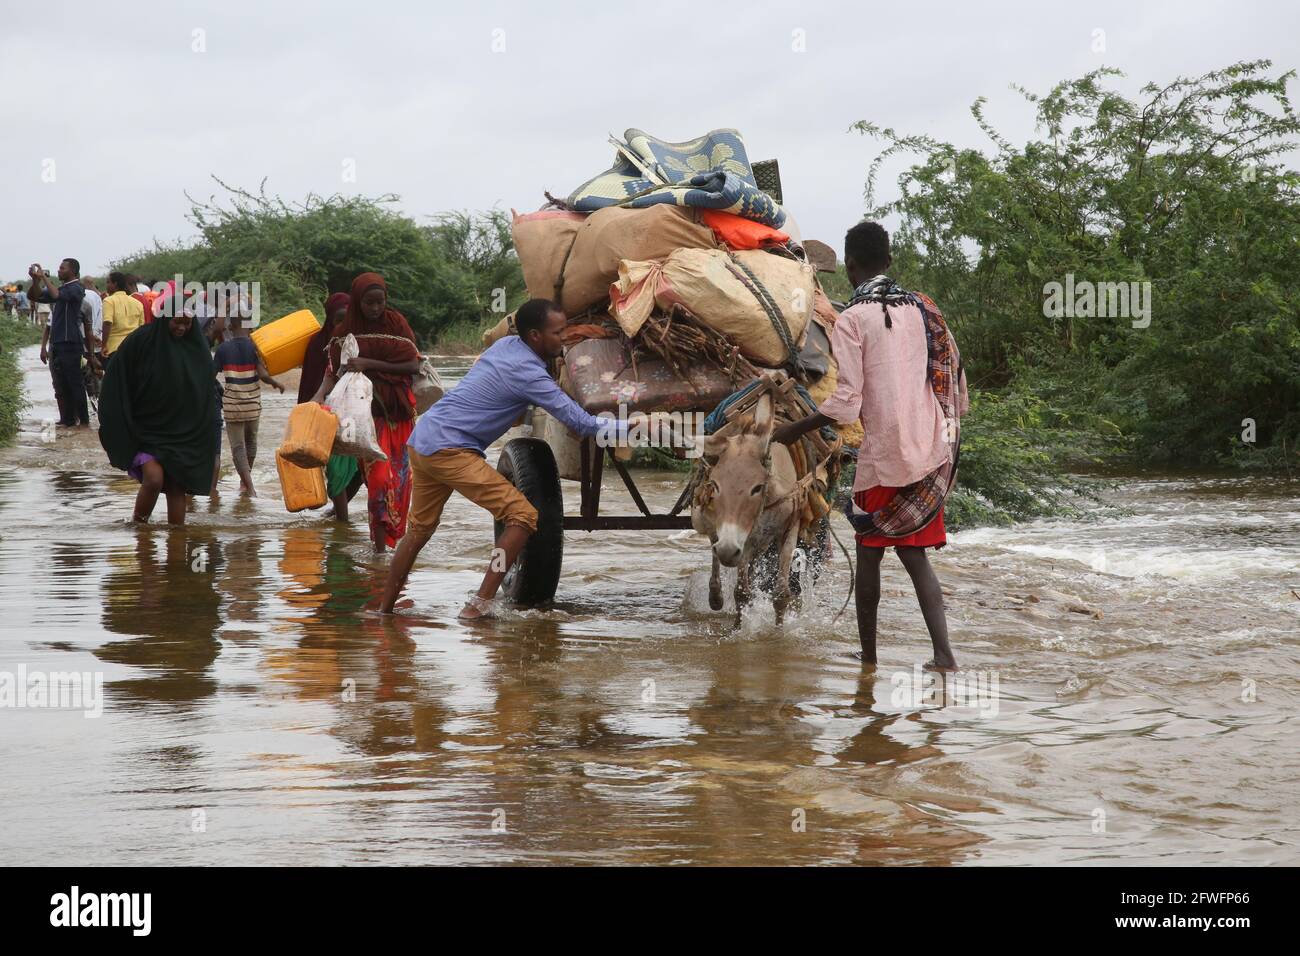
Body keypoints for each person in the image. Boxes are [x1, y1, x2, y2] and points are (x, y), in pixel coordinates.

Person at [772, 221, 966, 672]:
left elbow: (846, 402)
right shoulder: (923, 309)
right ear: (890, 261)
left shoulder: (851, 321)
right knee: (915, 557)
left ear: (851, 267)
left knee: (869, 553)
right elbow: (948, 375)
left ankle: (870, 657)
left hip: (884, 456)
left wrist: (794, 430)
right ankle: (943, 654)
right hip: (929, 446)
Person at [378, 298, 636, 620]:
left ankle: (382, 609)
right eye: (557, 333)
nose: (564, 337)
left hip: (424, 438)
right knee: (523, 516)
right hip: (450, 449)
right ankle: (479, 604)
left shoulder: (505, 347)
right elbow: (582, 424)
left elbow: (501, 400)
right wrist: (631, 426)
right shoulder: (528, 373)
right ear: (535, 337)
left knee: (417, 532)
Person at [310, 273, 421, 553]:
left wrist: (368, 363)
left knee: (400, 484)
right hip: (365, 420)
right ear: (358, 302)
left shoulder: (396, 324)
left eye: (379, 302)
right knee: (379, 481)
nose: (375, 308)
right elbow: (333, 372)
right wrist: (318, 397)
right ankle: (380, 551)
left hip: (399, 417)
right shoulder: (344, 332)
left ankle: (393, 548)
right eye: (369, 303)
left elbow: (412, 365)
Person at [98, 306, 218, 524]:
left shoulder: (196, 347)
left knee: (176, 487)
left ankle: (176, 543)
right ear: (164, 319)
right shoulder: (142, 340)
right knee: (153, 479)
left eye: (187, 323)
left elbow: (206, 392)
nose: (182, 328)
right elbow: (118, 373)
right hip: (147, 430)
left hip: (183, 434)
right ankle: (139, 529)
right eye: (176, 322)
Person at [300, 292, 362, 520]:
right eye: (338, 319)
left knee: (360, 469)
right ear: (329, 318)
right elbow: (313, 381)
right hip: (328, 415)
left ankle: (337, 512)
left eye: (347, 319)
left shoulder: (359, 342)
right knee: (336, 468)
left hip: (356, 414)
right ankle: (342, 522)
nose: (342, 325)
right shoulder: (318, 344)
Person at [213, 311, 285, 496]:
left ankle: (249, 485)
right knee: (251, 442)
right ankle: (245, 483)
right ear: (251, 327)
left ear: (230, 327)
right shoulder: (255, 347)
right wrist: (276, 383)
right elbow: (263, 375)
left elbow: (210, 376)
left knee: (238, 446)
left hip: (233, 404)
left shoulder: (222, 350)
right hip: (253, 402)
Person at [31, 259, 92, 428]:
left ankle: (84, 422)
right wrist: (35, 281)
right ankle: (68, 420)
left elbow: (56, 295)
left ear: (72, 271)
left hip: (70, 343)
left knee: (75, 383)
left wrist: (43, 276)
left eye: (62, 268)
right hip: (57, 343)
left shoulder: (76, 288)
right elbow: (35, 296)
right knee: (61, 384)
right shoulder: (62, 288)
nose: (58, 270)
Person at [100, 271, 145, 365]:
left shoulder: (109, 301)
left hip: (114, 348)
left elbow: (107, 323)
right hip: (134, 348)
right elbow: (142, 328)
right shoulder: (137, 303)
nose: (106, 285)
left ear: (115, 284)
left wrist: (104, 345)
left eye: (108, 282)